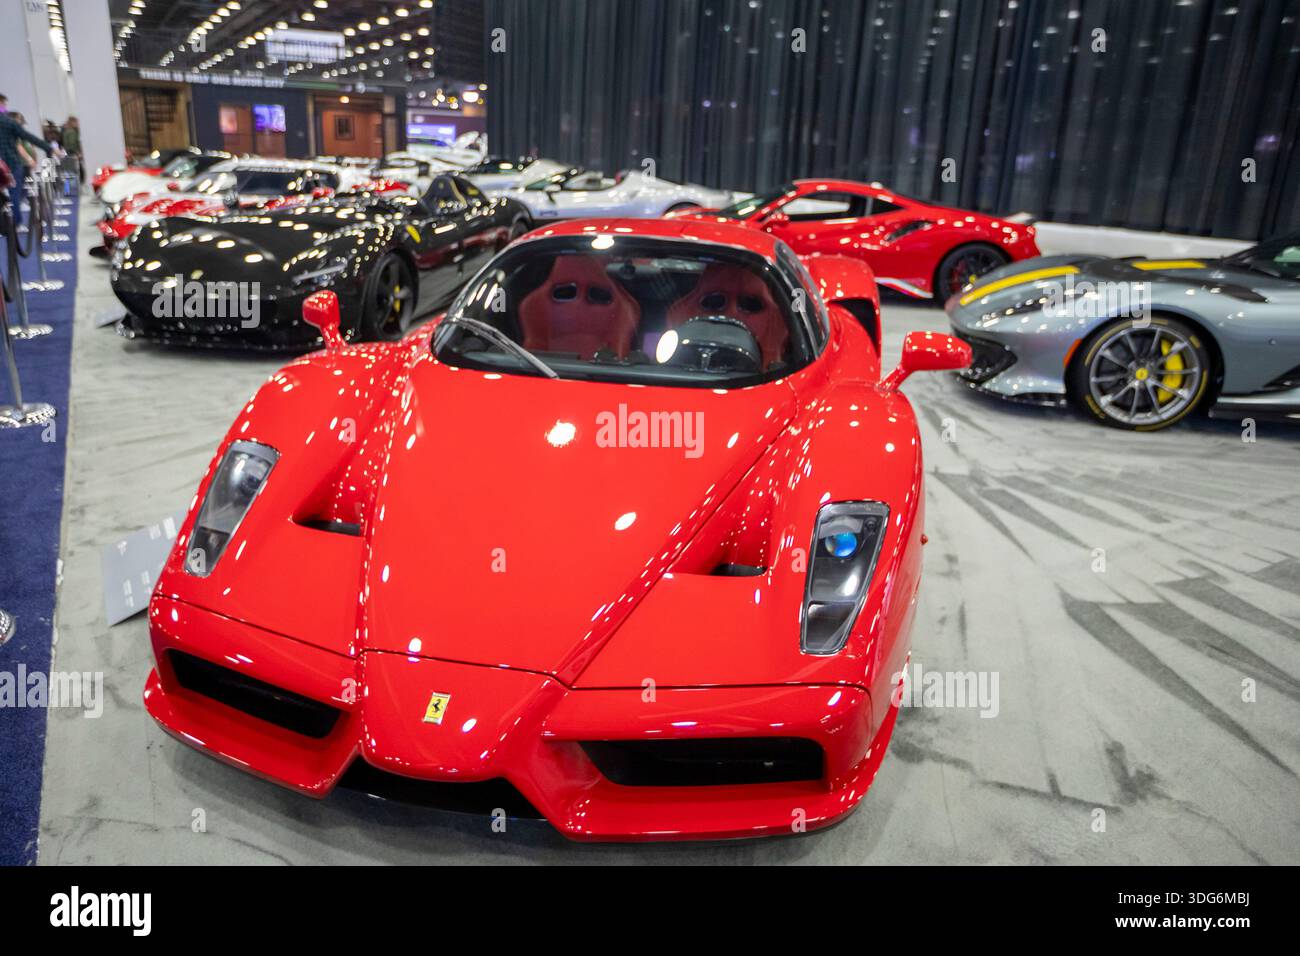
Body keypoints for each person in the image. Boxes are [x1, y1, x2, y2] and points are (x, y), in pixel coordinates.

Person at [0, 101, 52, 226]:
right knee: (15, 193)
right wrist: (48, 148)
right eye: (3, 104)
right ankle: (15, 224)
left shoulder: (8, 122)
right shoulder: (8, 122)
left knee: (15, 193)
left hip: (7, 163)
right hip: (12, 163)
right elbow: (27, 137)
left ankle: (10, 224)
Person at [61, 116, 83, 184]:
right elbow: (72, 144)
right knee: (78, 172)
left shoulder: (66, 130)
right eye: (76, 122)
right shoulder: (72, 132)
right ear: (72, 122)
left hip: (69, 154)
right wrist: (77, 153)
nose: (78, 123)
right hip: (73, 154)